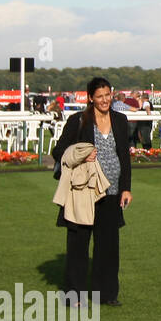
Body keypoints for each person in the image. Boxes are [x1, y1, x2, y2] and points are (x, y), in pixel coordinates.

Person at [51, 77, 132, 307]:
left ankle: (106, 295)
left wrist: (126, 188)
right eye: (100, 96)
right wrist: (81, 154)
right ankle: (74, 296)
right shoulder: (79, 120)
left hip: (113, 192)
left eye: (108, 95)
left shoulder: (120, 120)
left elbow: (124, 158)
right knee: (78, 244)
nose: (105, 100)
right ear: (90, 98)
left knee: (108, 246)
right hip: (84, 193)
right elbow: (59, 151)